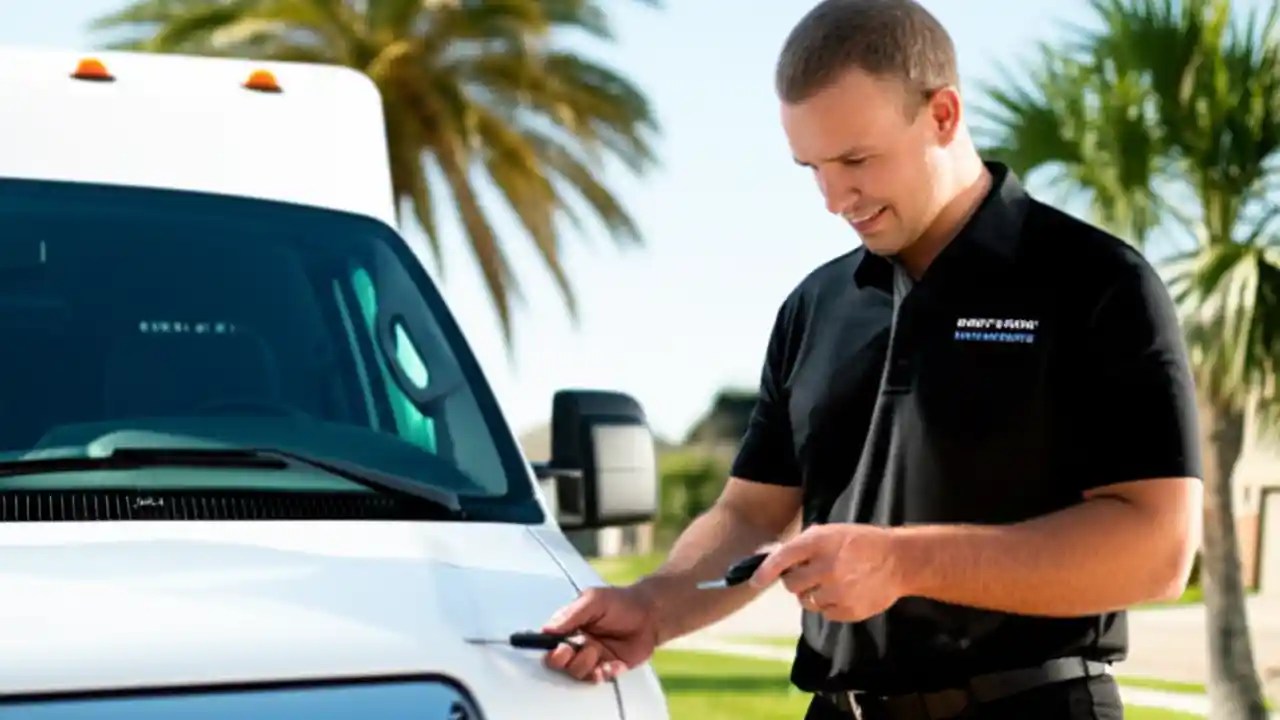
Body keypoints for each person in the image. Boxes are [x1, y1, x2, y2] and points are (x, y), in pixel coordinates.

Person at [539, 0, 1204, 717]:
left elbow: (1158, 547)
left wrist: (901, 562)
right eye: (812, 168)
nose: (833, 198)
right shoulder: (814, 307)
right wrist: (653, 606)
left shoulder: (1095, 283)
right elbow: (751, 515)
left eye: (856, 159)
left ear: (943, 115)